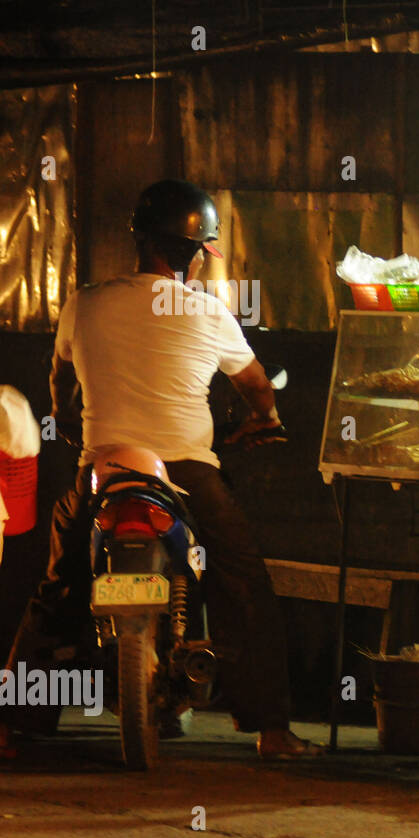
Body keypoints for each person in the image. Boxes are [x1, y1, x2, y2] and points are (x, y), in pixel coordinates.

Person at [0, 179, 322, 760]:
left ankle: (12, 723)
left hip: (103, 469)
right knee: (244, 585)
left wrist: (71, 423)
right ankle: (271, 730)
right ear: (191, 252)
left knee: (56, 588)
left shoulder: (85, 301)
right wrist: (260, 422)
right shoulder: (208, 312)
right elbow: (257, 392)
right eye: (204, 251)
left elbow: (60, 388)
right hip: (188, 472)